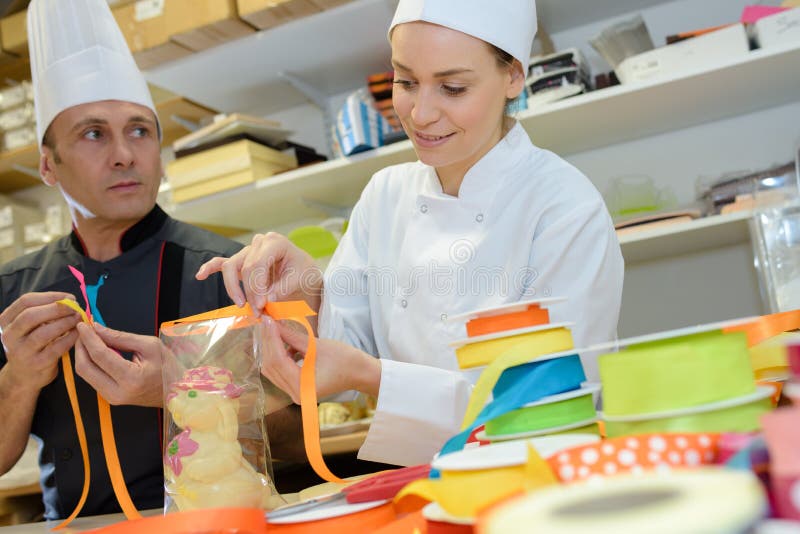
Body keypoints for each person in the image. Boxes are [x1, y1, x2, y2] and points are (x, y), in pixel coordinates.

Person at [202, 0, 625, 467]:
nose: (420, 113)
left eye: (453, 87)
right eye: (405, 82)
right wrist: (306, 289)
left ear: (514, 77)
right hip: (415, 480)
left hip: (536, 480)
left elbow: (546, 408)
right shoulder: (386, 195)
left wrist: (373, 376)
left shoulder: (564, 207)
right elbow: (340, 360)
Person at [0, 0, 302, 520]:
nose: (124, 154)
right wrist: (19, 380)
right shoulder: (13, 290)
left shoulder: (226, 271)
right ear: (49, 165)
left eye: (140, 130)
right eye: (94, 134)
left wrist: (178, 391)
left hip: (212, 525)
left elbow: (297, 439)